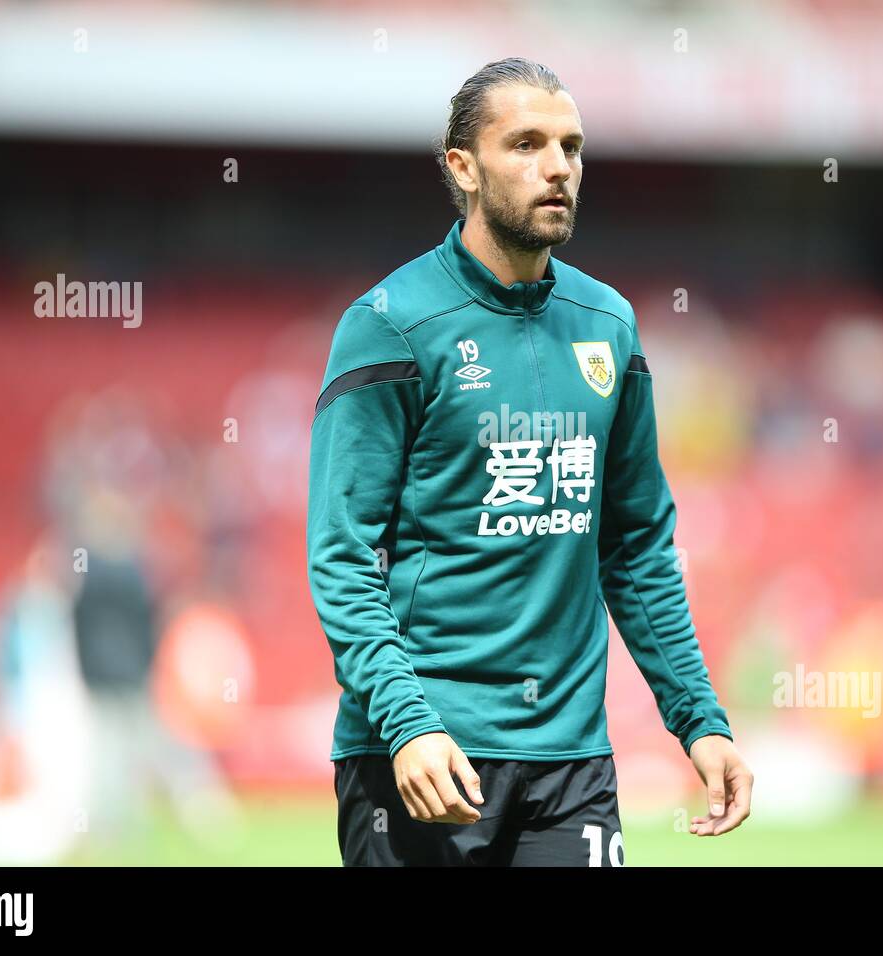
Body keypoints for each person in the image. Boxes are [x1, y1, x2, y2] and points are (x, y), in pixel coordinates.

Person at [306, 57, 753, 866]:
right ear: (462, 168)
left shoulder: (608, 326)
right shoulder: (390, 326)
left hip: (570, 762)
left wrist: (700, 719)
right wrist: (408, 723)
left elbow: (637, 544)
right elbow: (343, 556)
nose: (558, 167)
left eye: (572, 146)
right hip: (421, 758)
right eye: (526, 144)